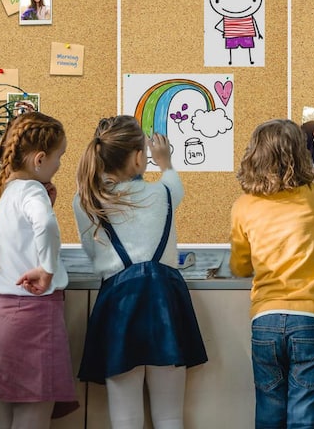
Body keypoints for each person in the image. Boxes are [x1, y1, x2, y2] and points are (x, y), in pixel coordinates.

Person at [73, 115, 207, 429]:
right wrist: (165, 161)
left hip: (118, 306)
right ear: (137, 158)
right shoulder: (164, 193)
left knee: (125, 419)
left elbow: (93, 254)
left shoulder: (85, 201)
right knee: (170, 417)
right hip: (165, 305)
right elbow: (172, 179)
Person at [229, 119, 314, 429]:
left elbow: (240, 266)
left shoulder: (243, 206)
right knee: (306, 416)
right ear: (301, 154)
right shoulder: (312, 195)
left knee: (269, 413)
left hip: (266, 320)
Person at [0, 111, 78, 427]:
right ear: (39, 159)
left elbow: (19, 237)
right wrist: (47, 268)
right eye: (59, 157)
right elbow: (44, 225)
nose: (59, 165)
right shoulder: (30, 191)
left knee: (7, 421)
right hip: (33, 321)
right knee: (33, 419)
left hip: (0, 318)